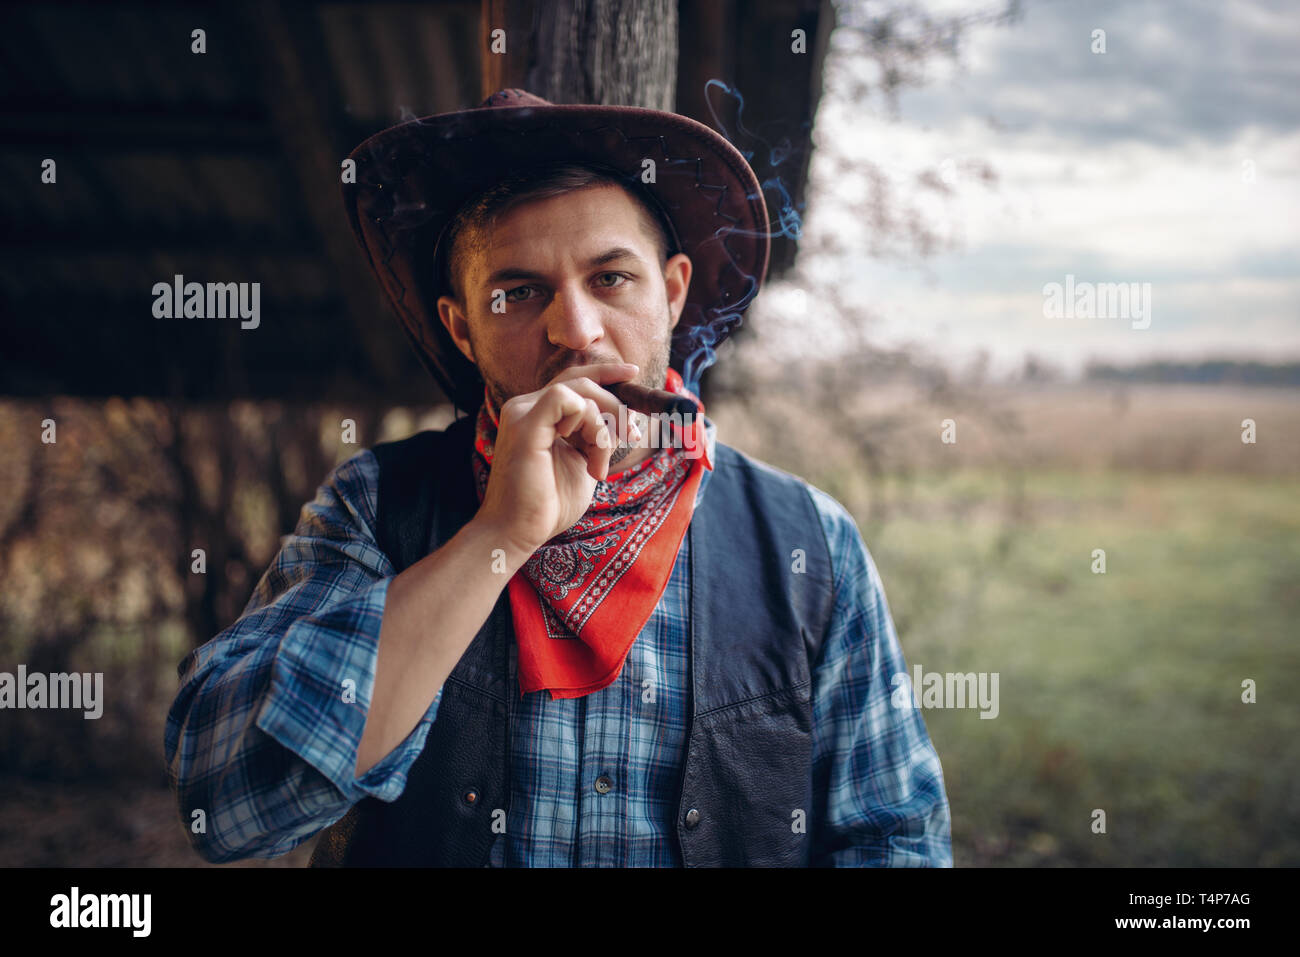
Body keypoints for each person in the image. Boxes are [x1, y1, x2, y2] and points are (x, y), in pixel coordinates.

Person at [164, 89, 952, 867]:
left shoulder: (809, 543)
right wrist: (496, 537)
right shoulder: (376, 506)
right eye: (518, 292)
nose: (575, 330)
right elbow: (226, 804)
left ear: (672, 292)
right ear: (461, 328)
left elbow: (893, 840)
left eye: (612, 279)